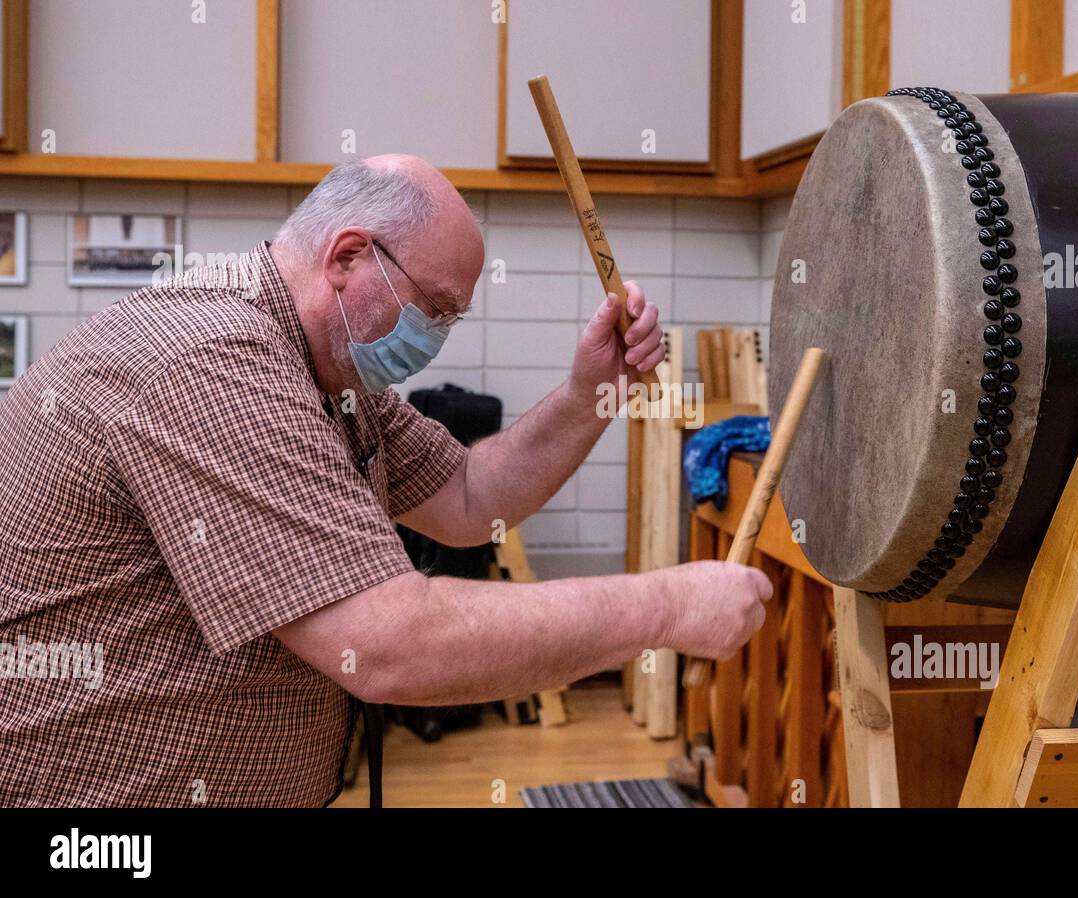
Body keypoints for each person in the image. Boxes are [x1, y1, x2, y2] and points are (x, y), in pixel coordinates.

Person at [0, 155, 771, 806]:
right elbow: (388, 646)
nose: (433, 338)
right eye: (432, 309)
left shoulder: (328, 375)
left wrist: (589, 393)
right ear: (347, 257)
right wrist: (664, 606)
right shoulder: (213, 360)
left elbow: (470, 496)